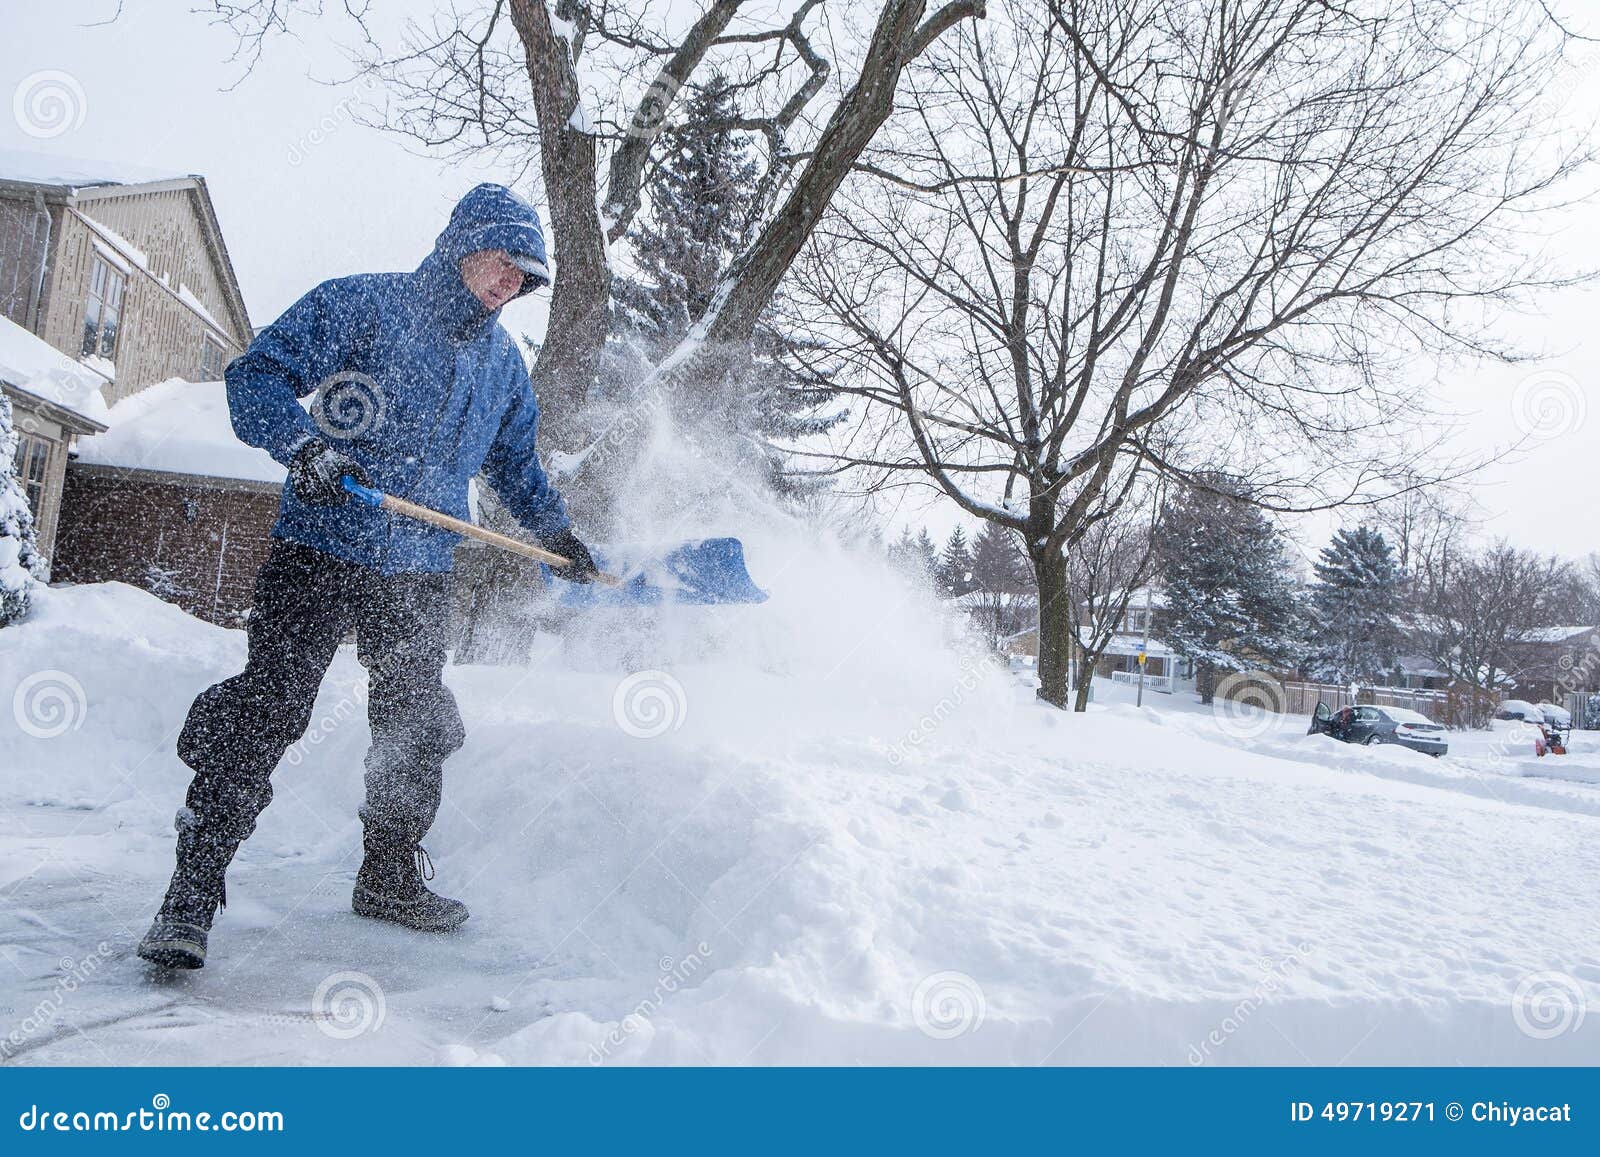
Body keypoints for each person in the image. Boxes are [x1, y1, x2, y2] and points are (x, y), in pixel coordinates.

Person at [137, 184, 597, 970]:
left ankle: (387, 876)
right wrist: (303, 446)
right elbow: (257, 376)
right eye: (501, 263)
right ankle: (190, 893)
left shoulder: (501, 366)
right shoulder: (362, 305)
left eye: (524, 276)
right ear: (463, 245)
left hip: (419, 567)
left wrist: (555, 531)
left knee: (416, 723)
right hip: (324, 543)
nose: (508, 283)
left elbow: (514, 463)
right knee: (270, 707)